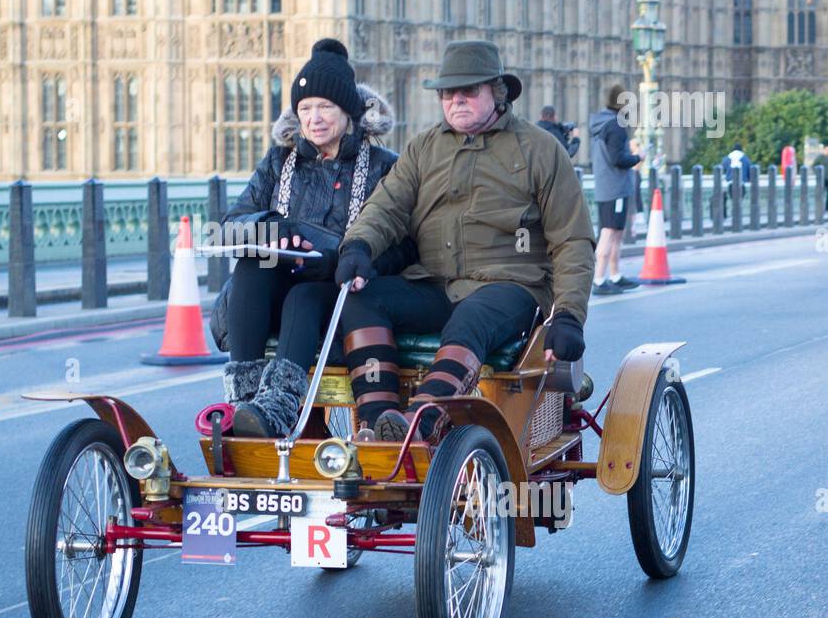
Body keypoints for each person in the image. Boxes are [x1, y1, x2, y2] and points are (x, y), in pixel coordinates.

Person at [332, 40, 595, 447]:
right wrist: (358, 247)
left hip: (511, 285)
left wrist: (569, 316)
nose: (456, 100)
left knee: (470, 317)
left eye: (468, 91)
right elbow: (386, 206)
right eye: (447, 93)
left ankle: (422, 421)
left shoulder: (541, 150)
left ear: (498, 93)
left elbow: (572, 239)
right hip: (435, 283)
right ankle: (377, 425)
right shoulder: (424, 148)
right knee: (361, 298)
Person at [210, 38, 415, 438]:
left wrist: (352, 259)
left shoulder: (384, 167)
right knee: (252, 267)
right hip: (278, 286)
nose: (314, 118)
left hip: (340, 294)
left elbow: (408, 245)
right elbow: (230, 226)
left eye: (325, 107)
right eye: (305, 109)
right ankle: (247, 404)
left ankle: (281, 405)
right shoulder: (278, 161)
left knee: (303, 297)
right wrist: (274, 227)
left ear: (349, 113)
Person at [589, 84, 643, 295]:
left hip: (608, 186)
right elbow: (617, 159)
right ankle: (599, 279)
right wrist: (638, 157)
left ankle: (615, 275)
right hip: (615, 187)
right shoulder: (616, 126)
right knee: (609, 232)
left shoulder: (603, 123)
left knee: (617, 233)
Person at [720, 143, 752, 219]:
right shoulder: (745, 158)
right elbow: (750, 171)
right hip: (741, 183)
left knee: (733, 199)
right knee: (739, 200)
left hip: (730, 183)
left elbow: (722, 168)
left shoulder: (727, 158)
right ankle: (737, 216)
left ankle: (733, 215)